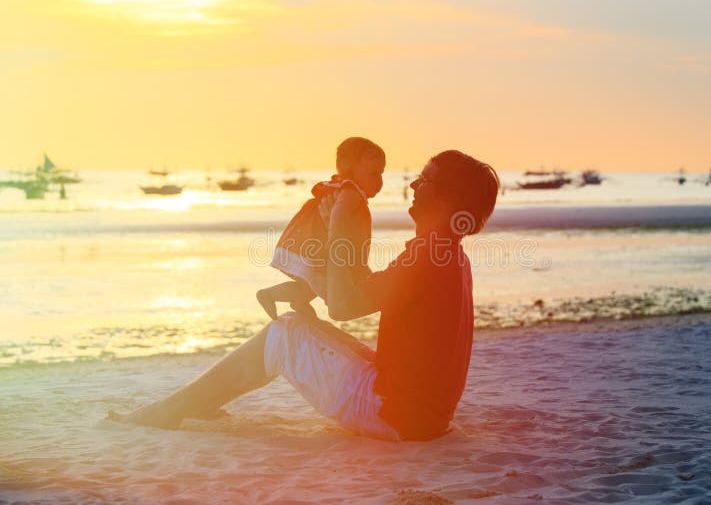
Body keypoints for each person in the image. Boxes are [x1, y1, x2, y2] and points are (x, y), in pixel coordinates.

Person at [109, 150, 499, 441]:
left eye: (425, 180)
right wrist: (310, 281)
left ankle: (172, 409)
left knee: (284, 333)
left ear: (449, 200)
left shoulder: (428, 255)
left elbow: (344, 307)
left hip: (396, 416)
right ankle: (200, 402)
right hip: (423, 418)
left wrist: (336, 231)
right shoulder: (445, 253)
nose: (413, 185)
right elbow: (360, 292)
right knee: (296, 324)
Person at [256, 137, 385, 320]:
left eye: (381, 174)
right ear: (350, 169)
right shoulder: (351, 192)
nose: (379, 181)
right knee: (331, 291)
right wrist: (334, 237)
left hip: (315, 244)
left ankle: (277, 296)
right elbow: (338, 214)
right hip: (322, 247)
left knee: (309, 287)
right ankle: (274, 296)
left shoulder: (344, 188)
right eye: (373, 174)